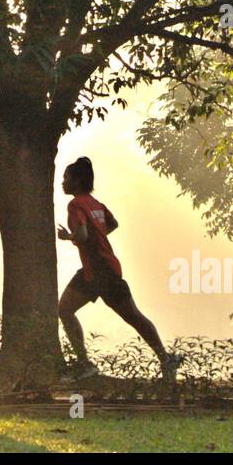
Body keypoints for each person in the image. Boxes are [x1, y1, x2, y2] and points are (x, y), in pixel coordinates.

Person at [57, 156, 183, 385]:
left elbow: (83, 235)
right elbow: (112, 224)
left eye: (66, 177)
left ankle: (85, 364)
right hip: (104, 267)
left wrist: (68, 237)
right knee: (133, 316)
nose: (62, 182)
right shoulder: (95, 204)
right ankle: (166, 359)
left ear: (77, 181)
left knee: (65, 310)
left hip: (98, 270)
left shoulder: (75, 205)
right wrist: (98, 236)